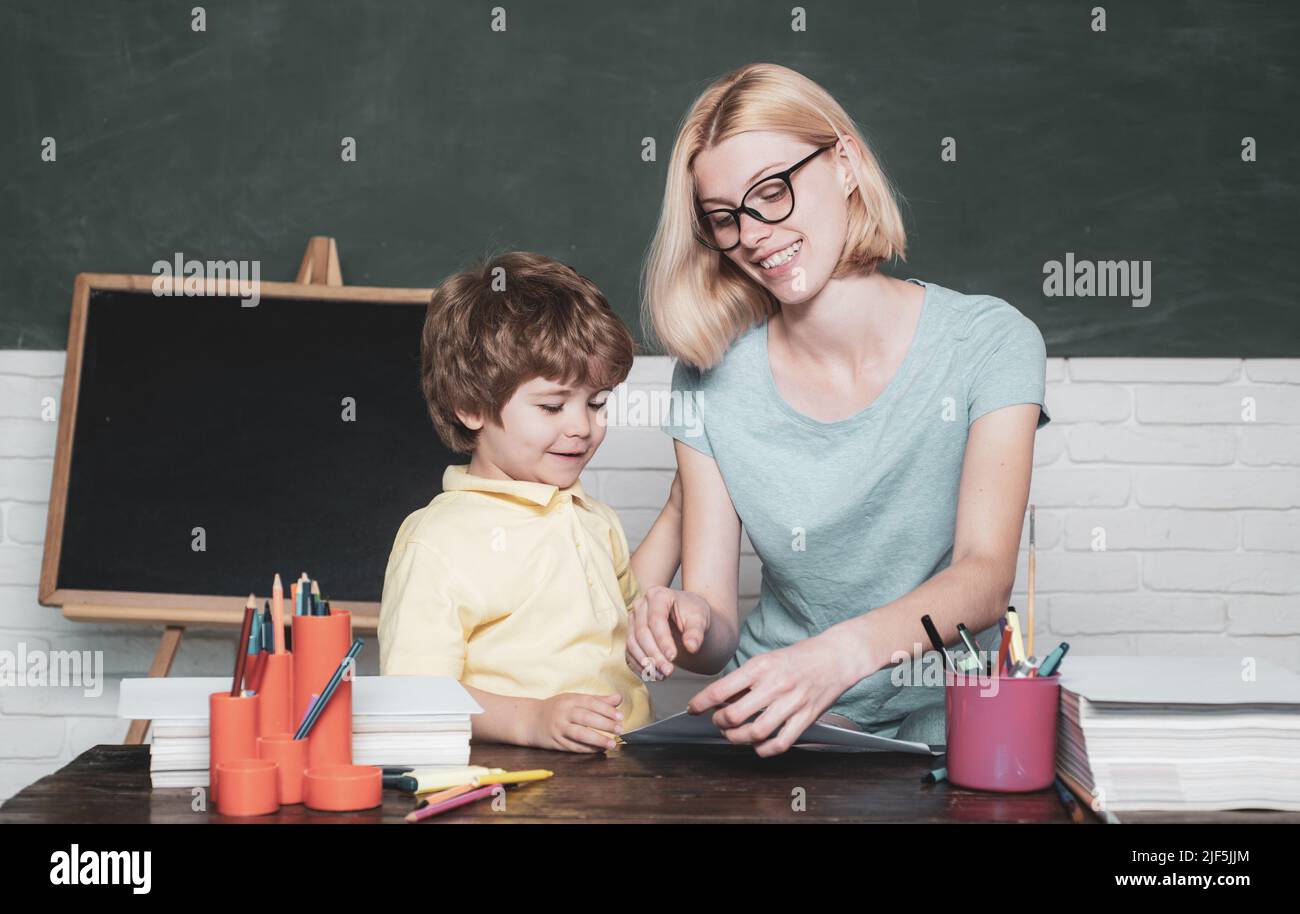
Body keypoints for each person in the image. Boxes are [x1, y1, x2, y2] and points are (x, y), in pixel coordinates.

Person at [628, 63, 1051, 756]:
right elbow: (718, 628)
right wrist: (686, 621)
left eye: (772, 190)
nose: (755, 234)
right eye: (725, 217)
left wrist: (834, 658)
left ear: (846, 163)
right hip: (777, 735)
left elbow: (982, 577)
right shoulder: (708, 375)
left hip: (948, 730)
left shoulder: (991, 342)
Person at [379, 251, 682, 753]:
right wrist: (531, 720)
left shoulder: (590, 516)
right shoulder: (436, 540)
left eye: (597, 403)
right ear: (471, 404)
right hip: (517, 784)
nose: (582, 426)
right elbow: (415, 694)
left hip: (623, 773)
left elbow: (622, 622)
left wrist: (680, 507)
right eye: (552, 406)